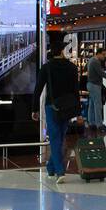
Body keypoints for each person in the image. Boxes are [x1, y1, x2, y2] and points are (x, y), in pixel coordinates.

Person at [34, 37, 81, 185]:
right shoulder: (72, 68)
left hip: (52, 106)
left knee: (55, 137)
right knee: (60, 136)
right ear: (62, 51)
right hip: (68, 107)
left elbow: (38, 90)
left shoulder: (46, 68)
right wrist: (78, 110)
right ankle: (51, 167)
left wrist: (34, 109)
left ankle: (60, 171)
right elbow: (75, 91)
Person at [85, 44, 106, 133]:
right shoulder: (95, 61)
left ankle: (92, 123)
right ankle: (99, 125)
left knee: (92, 104)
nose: (104, 57)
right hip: (94, 85)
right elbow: (102, 73)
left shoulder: (91, 60)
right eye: (103, 54)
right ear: (99, 53)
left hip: (91, 84)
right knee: (97, 105)